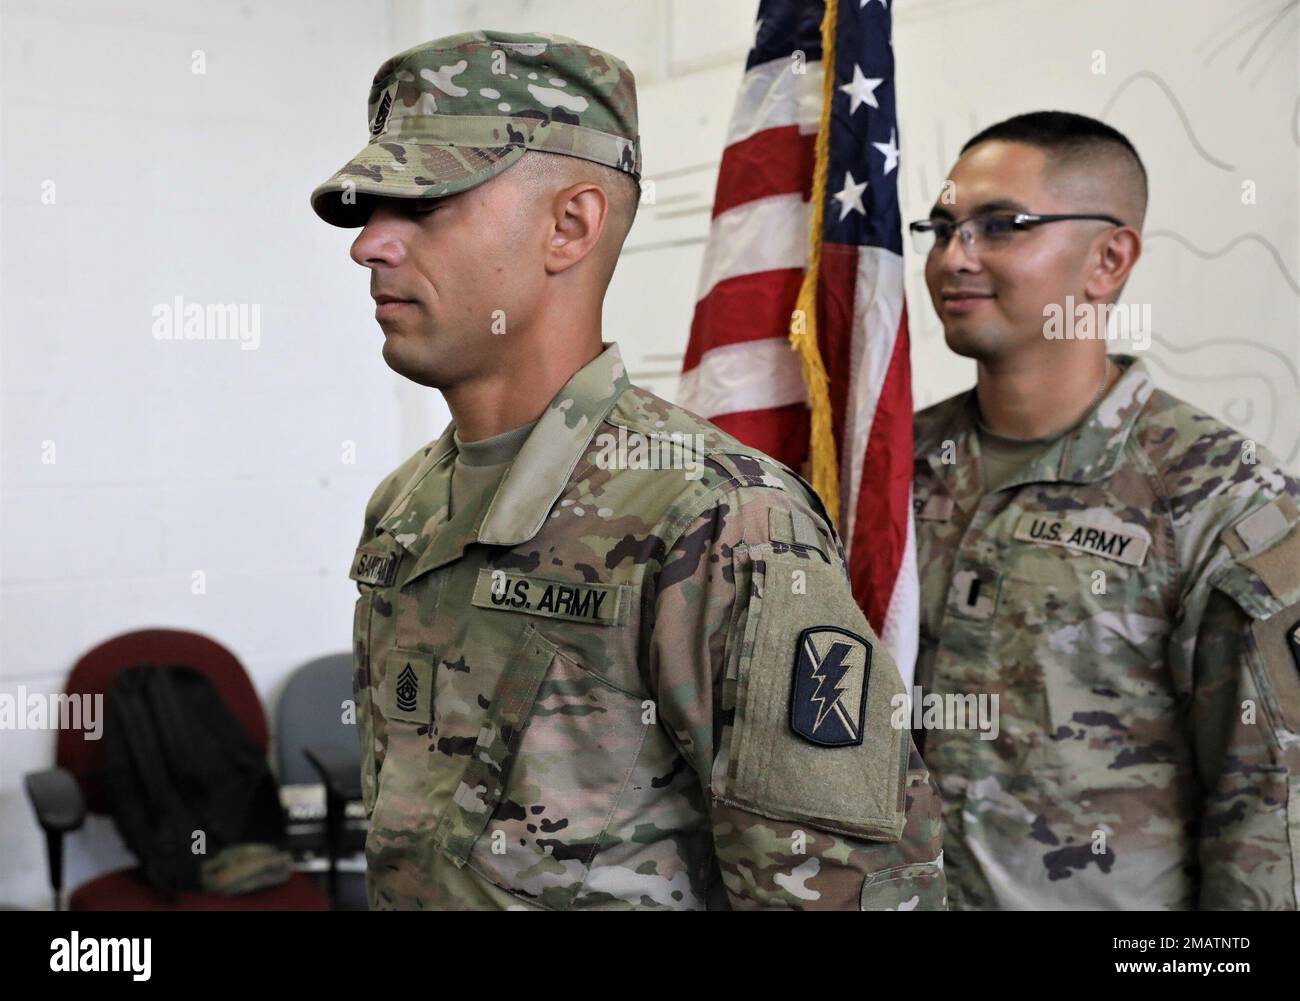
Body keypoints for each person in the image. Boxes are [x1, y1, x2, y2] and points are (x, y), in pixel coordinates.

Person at [311, 29, 945, 910]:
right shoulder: (409, 504)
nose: (369, 245)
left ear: (570, 225)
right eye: (370, 211)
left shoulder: (719, 520)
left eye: (422, 206)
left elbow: (845, 895)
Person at [909, 110, 1300, 909]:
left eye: (1000, 226)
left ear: (1108, 259)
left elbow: (1271, 810)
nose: (955, 257)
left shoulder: (1219, 490)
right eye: (942, 228)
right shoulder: (893, 470)